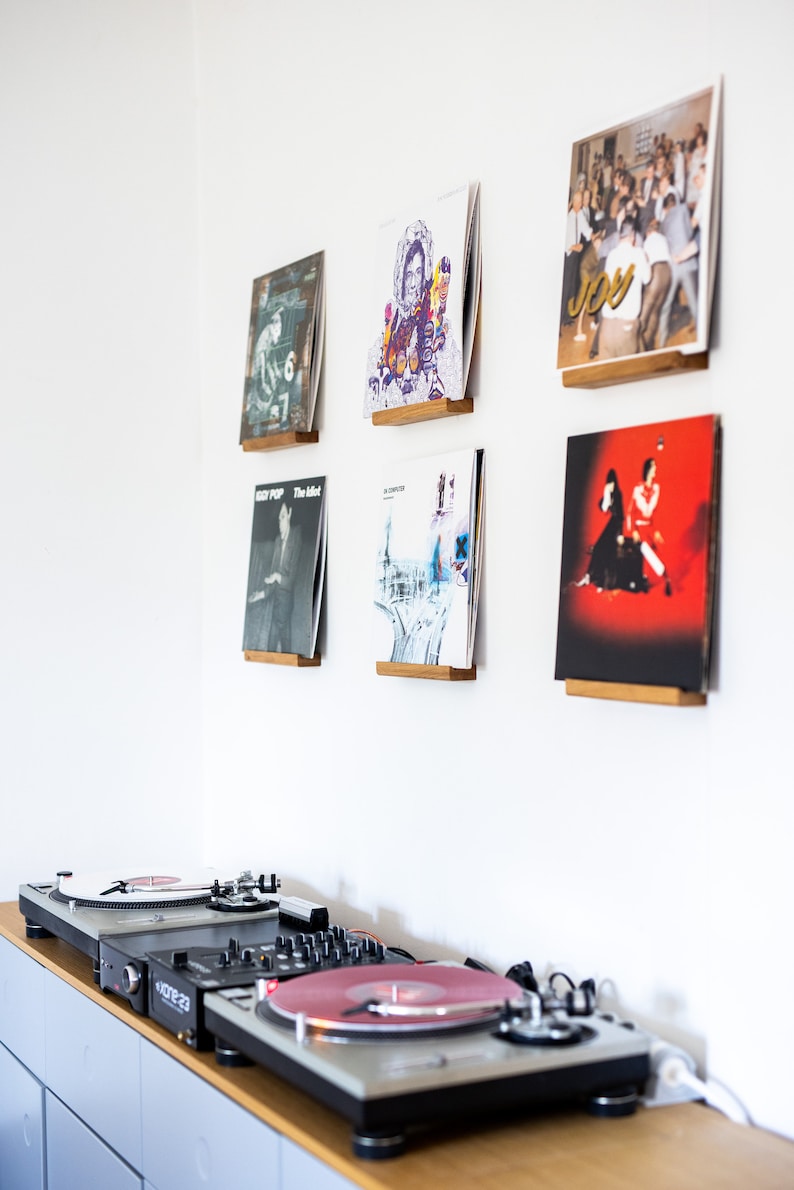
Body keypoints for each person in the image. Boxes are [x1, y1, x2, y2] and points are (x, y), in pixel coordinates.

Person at [247, 500, 303, 652]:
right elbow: (273, 580)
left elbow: (289, 581)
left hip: (285, 609)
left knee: (287, 651)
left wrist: (276, 576)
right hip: (276, 608)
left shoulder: (297, 539)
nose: (280, 522)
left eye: (283, 517)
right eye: (279, 518)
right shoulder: (278, 541)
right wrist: (260, 595)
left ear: (290, 515)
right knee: (270, 650)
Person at [598, 216, 651, 358]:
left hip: (607, 326)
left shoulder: (612, 255)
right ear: (633, 236)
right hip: (626, 324)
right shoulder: (638, 254)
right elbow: (647, 279)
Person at [625, 458, 672, 595]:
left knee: (661, 549)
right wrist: (633, 531)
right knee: (646, 551)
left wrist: (657, 530)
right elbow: (630, 511)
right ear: (648, 470)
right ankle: (662, 577)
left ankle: (660, 577)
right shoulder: (637, 489)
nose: (655, 470)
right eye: (653, 467)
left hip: (651, 528)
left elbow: (657, 512)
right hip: (640, 530)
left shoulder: (656, 489)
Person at [576, 468, 624, 590]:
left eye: (612, 483)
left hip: (617, 528)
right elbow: (603, 508)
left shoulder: (618, 495)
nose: (611, 486)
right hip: (611, 525)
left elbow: (621, 516)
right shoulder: (609, 493)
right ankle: (589, 576)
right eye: (609, 484)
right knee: (599, 550)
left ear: (615, 483)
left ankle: (602, 583)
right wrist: (606, 492)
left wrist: (620, 534)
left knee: (608, 555)